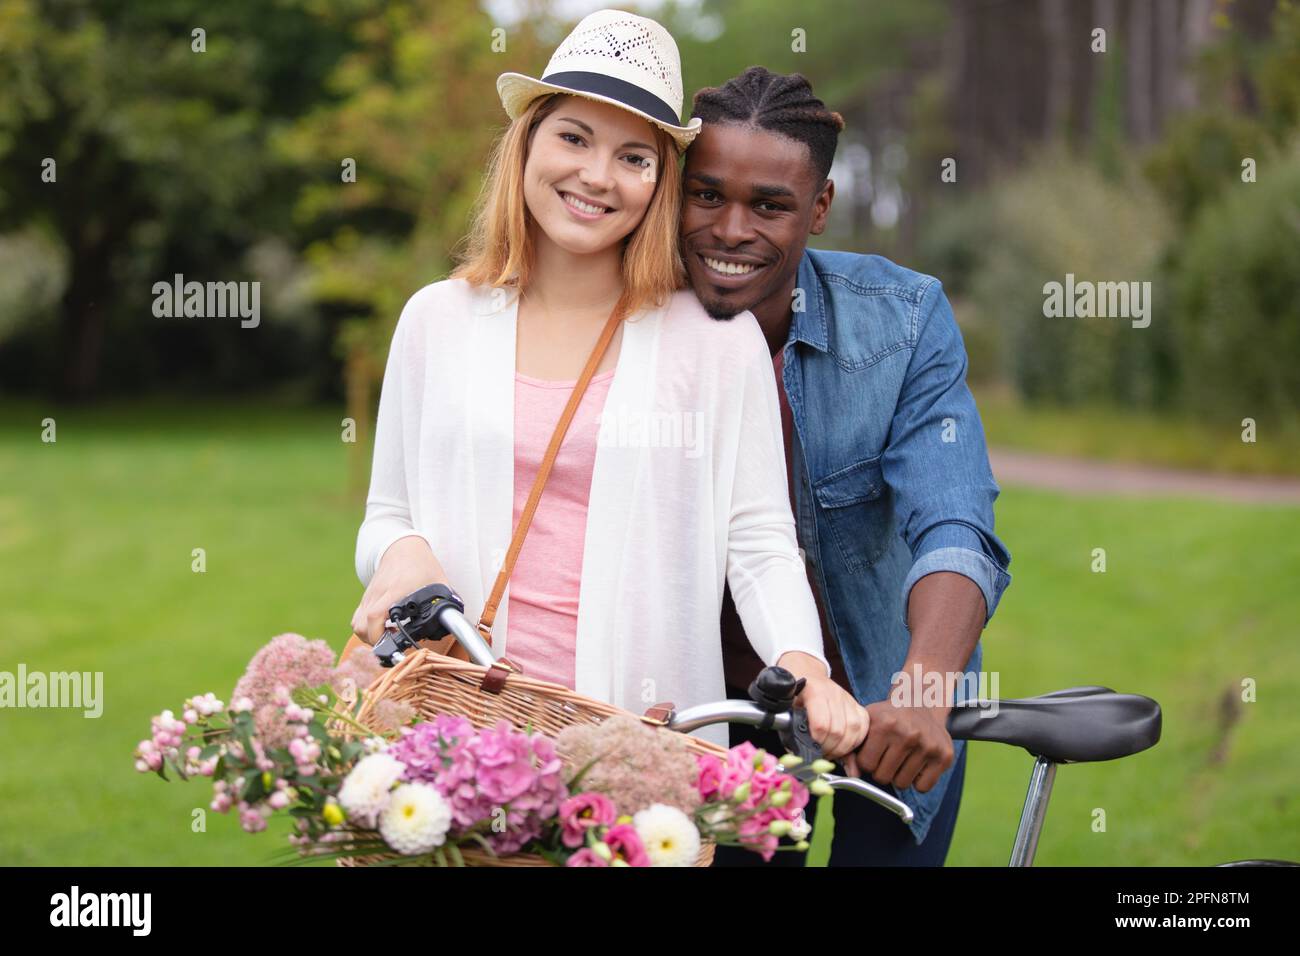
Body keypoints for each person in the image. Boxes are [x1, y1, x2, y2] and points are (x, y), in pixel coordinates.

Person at [343, 12, 868, 760]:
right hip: (454, 726)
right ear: (527, 142)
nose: (596, 176)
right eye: (573, 138)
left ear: (660, 182)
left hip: (640, 740)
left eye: (633, 156)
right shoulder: (438, 320)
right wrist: (399, 554)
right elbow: (387, 515)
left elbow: (758, 543)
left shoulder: (715, 342)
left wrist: (806, 665)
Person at [680, 67, 1013, 865]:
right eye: (706, 195)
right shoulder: (636, 323)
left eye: (769, 205)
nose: (730, 229)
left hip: (886, 695)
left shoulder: (901, 321)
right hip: (716, 712)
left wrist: (924, 693)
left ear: (819, 208)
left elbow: (955, 520)